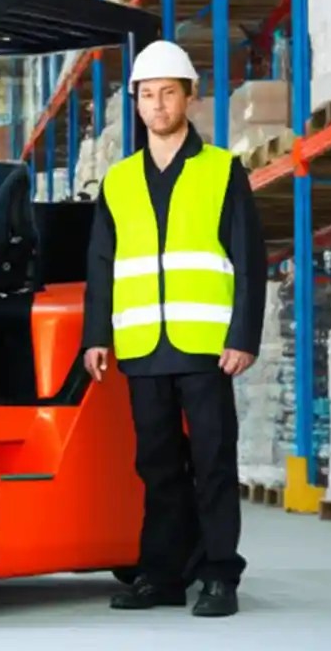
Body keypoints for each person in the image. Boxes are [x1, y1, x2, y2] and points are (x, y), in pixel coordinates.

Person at [81, 40, 268, 616]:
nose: (157, 105)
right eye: (146, 95)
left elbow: (248, 256)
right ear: (136, 104)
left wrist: (244, 335)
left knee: (213, 458)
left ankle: (219, 574)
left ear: (188, 97)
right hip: (142, 344)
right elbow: (101, 262)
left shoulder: (220, 171)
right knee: (156, 464)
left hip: (206, 345)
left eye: (167, 93)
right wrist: (96, 335)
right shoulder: (119, 180)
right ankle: (161, 575)